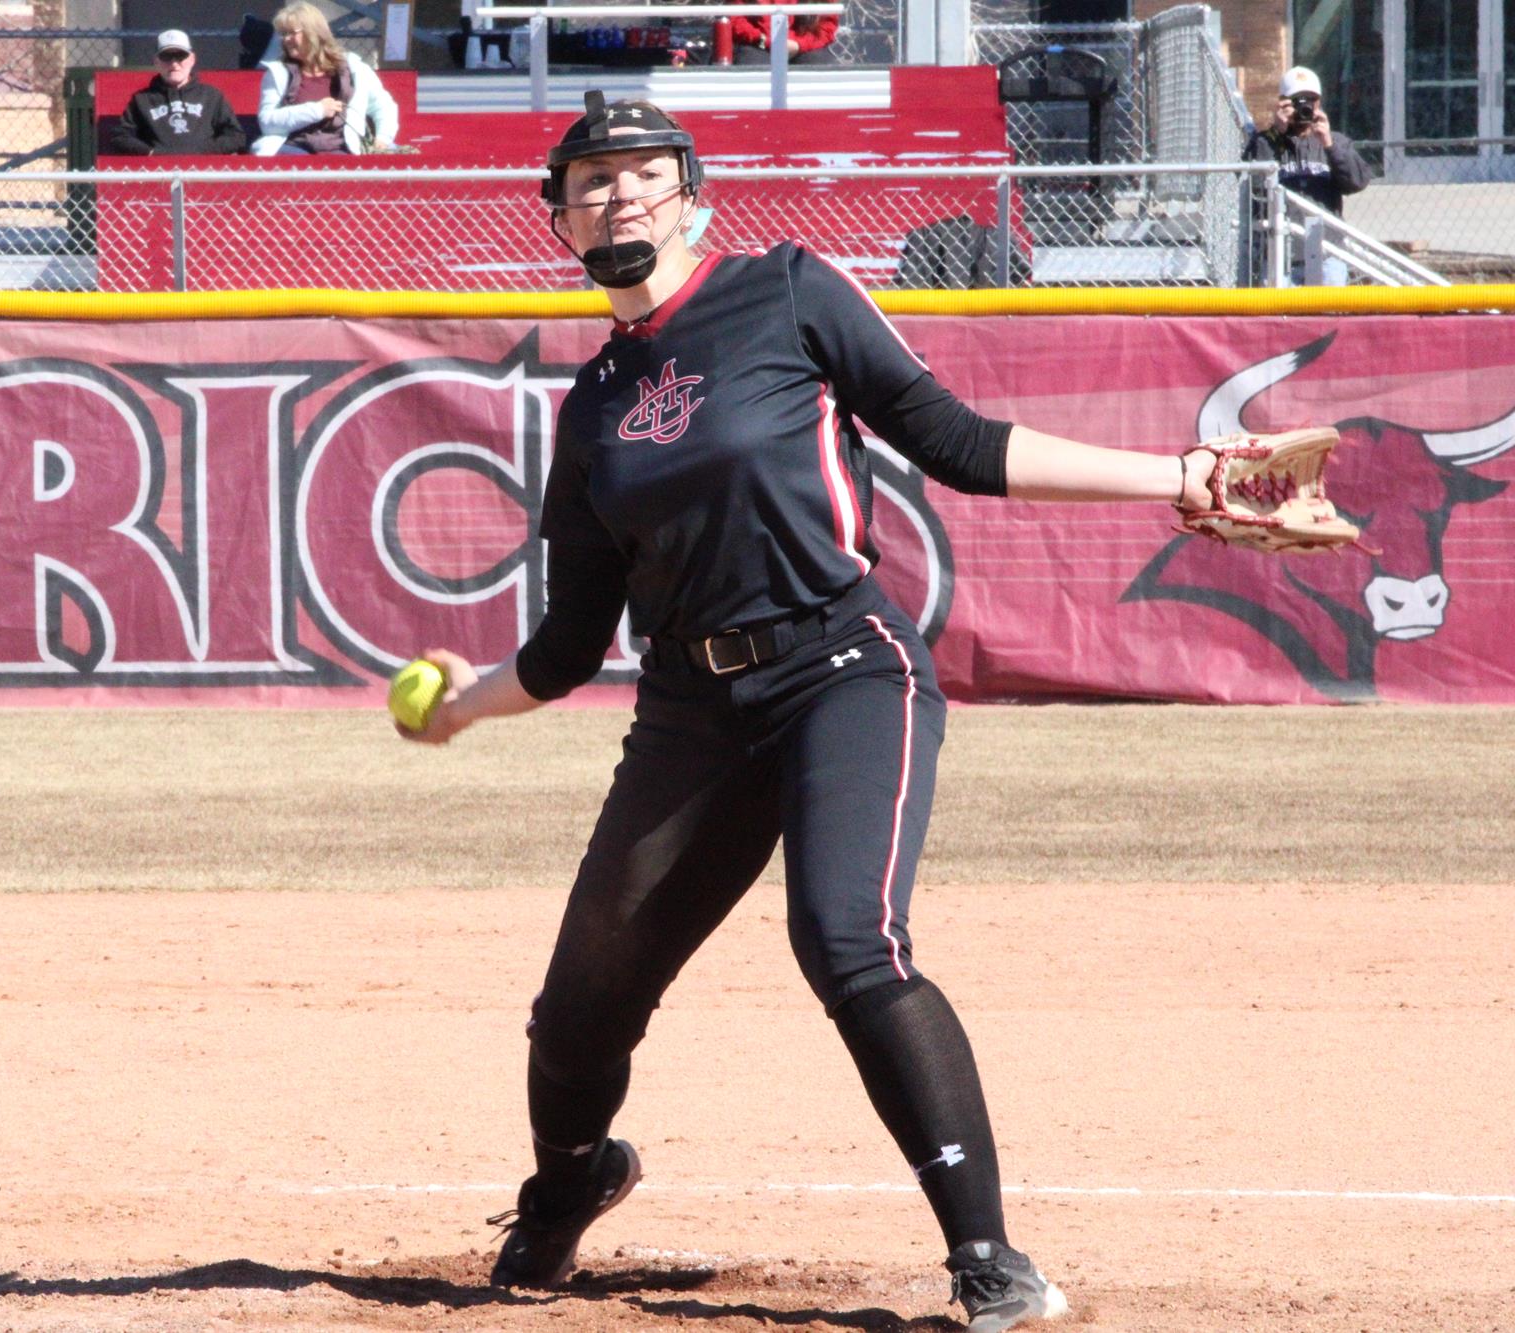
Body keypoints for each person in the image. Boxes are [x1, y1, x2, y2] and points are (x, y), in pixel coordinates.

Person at [396, 93, 1228, 1332]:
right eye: (590, 180)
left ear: (688, 191)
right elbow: (571, 643)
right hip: (687, 711)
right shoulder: (590, 410)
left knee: (846, 940)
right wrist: (468, 707)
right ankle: (568, 1186)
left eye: (643, 173)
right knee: (578, 1006)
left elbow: (953, 440)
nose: (618, 194)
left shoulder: (785, 289)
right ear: (558, 216)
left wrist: (1178, 480)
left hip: (841, 666)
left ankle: (990, 1259)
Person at [1244, 66, 1371, 284]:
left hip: (1326, 252)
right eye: (1296, 101)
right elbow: (1253, 181)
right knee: (1279, 317)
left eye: (1309, 101)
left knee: (1329, 316)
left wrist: (1329, 145)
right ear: (1282, 103)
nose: (1303, 108)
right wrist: (1277, 134)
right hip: (1279, 253)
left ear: (1318, 104)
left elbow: (1357, 182)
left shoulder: (1335, 140)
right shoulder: (1266, 141)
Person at [251, 1, 400, 156]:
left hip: (343, 148)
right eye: (283, 34)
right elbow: (267, 122)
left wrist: (383, 139)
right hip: (294, 148)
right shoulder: (278, 73)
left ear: (313, 33)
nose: (286, 39)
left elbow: (384, 107)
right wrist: (317, 110)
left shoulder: (355, 69)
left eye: (292, 33)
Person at [106, 29, 248, 157]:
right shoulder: (142, 100)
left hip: (204, 173)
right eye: (166, 57)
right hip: (158, 174)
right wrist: (150, 153)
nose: (174, 64)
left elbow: (236, 136)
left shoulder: (212, 96)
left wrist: (204, 152)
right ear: (156, 61)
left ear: (192, 59)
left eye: (180, 56)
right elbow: (121, 136)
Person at [729, 0, 839, 65]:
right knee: (754, 72)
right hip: (759, 44)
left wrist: (799, 45)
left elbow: (826, 25)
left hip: (805, 45)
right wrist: (765, 40)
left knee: (819, 72)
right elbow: (735, 19)